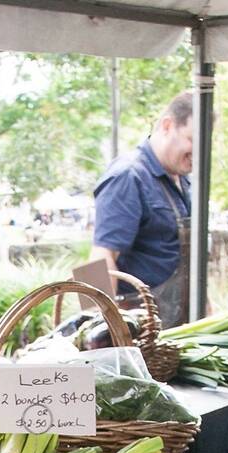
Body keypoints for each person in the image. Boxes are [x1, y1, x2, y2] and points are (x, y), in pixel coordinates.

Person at [91, 91, 196, 327]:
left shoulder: (184, 181)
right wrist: (101, 327)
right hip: (139, 328)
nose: (198, 152)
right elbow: (99, 259)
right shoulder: (128, 176)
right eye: (193, 140)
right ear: (168, 126)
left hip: (179, 327)